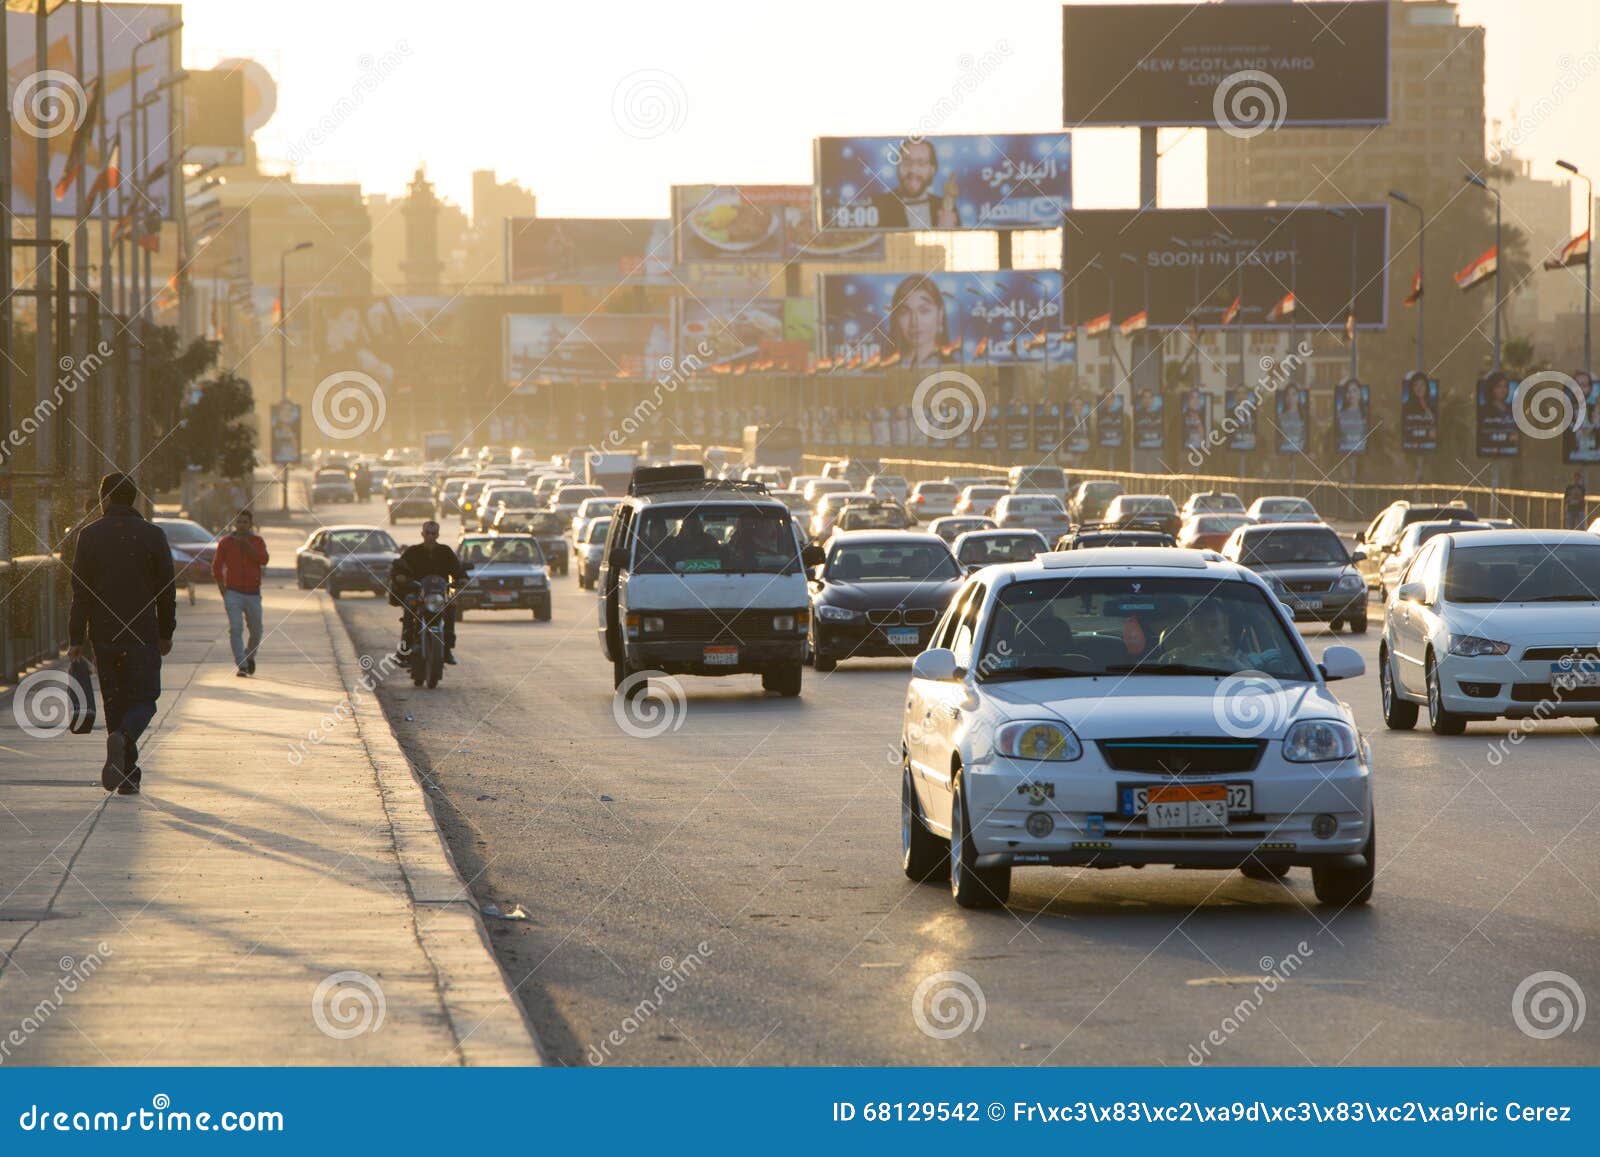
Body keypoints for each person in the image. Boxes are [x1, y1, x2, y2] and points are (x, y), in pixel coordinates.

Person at [67, 472, 176, 795]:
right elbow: (166, 591)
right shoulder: (153, 535)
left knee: (115, 702)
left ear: (105, 499)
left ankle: (128, 775)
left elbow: (80, 592)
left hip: (104, 634)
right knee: (144, 698)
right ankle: (126, 740)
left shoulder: (89, 535)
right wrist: (166, 631)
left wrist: (76, 638)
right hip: (143, 633)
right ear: (134, 498)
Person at [390, 520, 465, 662]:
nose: (430, 536)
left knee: (452, 605)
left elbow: (457, 568)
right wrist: (400, 576)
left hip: (439, 594)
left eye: (433, 533)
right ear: (422, 534)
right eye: (428, 533)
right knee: (409, 604)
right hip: (418, 592)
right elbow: (399, 567)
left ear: (438, 534)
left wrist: (462, 578)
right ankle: (403, 651)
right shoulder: (413, 552)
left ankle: (447, 648)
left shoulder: (445, 551)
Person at [212, 509, 269, 677]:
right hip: (233, 593)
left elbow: (264, 560)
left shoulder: (257, 541)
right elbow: (216, 566)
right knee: (236, 628)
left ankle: (249, 656)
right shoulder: (226, 542)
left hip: (253, 593)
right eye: (239, 522)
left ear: (250, 524)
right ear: (234, 524)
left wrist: (247, 546)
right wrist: (222, 588)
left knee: (256, 630)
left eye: (245, 522)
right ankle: (242, 665)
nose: (242, 525)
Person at [867, 139, 959, 229]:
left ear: (932, 170)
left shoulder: (947, 209)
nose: (913, 170)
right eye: (907, 162)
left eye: (921, 163)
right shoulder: (878, 206)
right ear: (897, 166)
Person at [885, 275, 954, 369]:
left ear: (940, 314)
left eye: (924, 311)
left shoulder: (954, 368)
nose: (914, 322)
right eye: (905, 313)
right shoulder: (887, 368)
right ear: (896, 318)